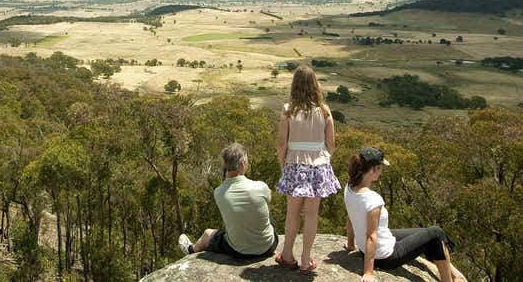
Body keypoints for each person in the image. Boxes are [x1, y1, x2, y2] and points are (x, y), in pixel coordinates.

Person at [343, 147, 467, 282]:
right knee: (436, 233)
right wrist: (368, 272)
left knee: (426, 233)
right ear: (374, 169)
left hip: (366, 249)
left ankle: (455, 274)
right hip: (387, 257)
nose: (381, 171)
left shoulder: (349, 188)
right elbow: (371, 237)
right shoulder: (373, 200)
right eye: (380, 168)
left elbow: (351, 217)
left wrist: (351, 244)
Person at [275, 65, 341, 274]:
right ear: (315, 85)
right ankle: (305, 260)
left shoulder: (288, 110)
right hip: (319, 165)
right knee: (312, 214)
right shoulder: (325, 111)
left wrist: (283, 164)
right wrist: (322, 160)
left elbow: (281, 144)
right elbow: (331, 144)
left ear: (295, 85)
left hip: (294, 163)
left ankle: (286, 255)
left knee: (292, 212)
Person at [178, 143, 279, 259]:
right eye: (247, 160)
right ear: (242, 164)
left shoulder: (219, 192)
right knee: (262, 204)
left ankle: (191, 249)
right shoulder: (261, 187)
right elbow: (269, 197)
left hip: (238, 250)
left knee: (208, 233)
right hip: (268, 247)